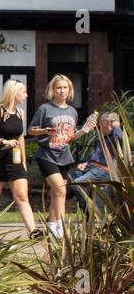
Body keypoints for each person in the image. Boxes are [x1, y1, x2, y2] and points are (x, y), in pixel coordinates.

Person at [28, 75, 97, 239]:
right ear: (53, 89)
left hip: (64, 156)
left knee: (57, 193)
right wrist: (45, 131)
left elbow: (69, 137)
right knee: (60, 189)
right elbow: (31, 130)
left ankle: (52, 227)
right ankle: (61, 226)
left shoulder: (72, 111)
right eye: (59, 87)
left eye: (65, 87)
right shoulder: (44, 109)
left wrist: (85, 130)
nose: (62, 91)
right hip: (47, 154)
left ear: (70, 90)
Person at [0, 79, 40, 239]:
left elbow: (20, 137)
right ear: (14, 93)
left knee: (22, 195)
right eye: (24, 92)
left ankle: (33, 231)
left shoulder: (21, 113)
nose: (26, 95)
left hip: (14, 159)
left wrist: (23, 160)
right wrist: (3, 141)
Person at [71, 111, 123, 211]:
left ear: (107, 123)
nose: (99, 126)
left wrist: (116, 124)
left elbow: (120, 138)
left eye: (101, 123)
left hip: (102, 170)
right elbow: (95, 156)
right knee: (70, 180)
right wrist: (86, 163)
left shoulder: (116, 137)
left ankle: (90, 213)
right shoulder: (103, 138)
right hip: (91, 168)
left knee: (75, 185)